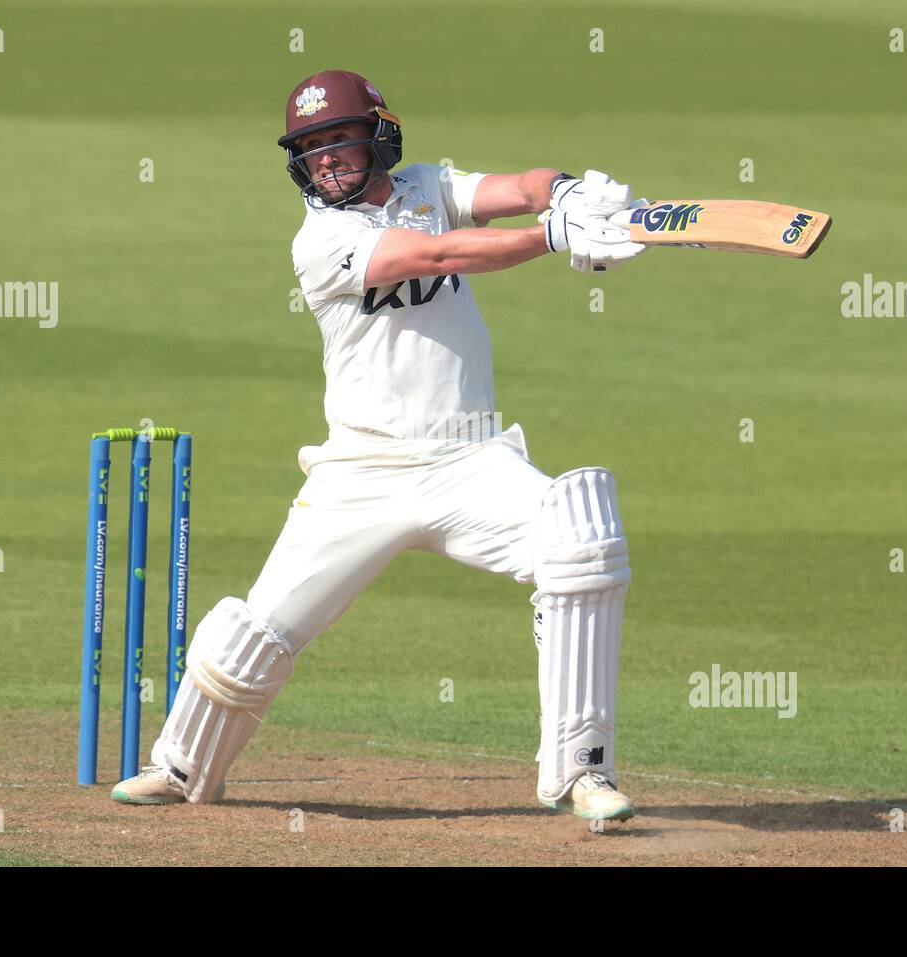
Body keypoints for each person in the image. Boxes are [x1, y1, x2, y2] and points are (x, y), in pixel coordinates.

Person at [112, 69, 646, 820]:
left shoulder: (428, 187)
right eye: (311, 148)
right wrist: (556, 237)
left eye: (339, 140)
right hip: (361, 473)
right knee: (256, 636)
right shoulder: (319, 239)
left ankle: (583, 773)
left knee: (582, 540)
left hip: (471, 461)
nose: (325, 159)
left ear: (379, 136)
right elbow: (434, 258)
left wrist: (564, 194)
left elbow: (518, 184)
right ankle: (182, 763)